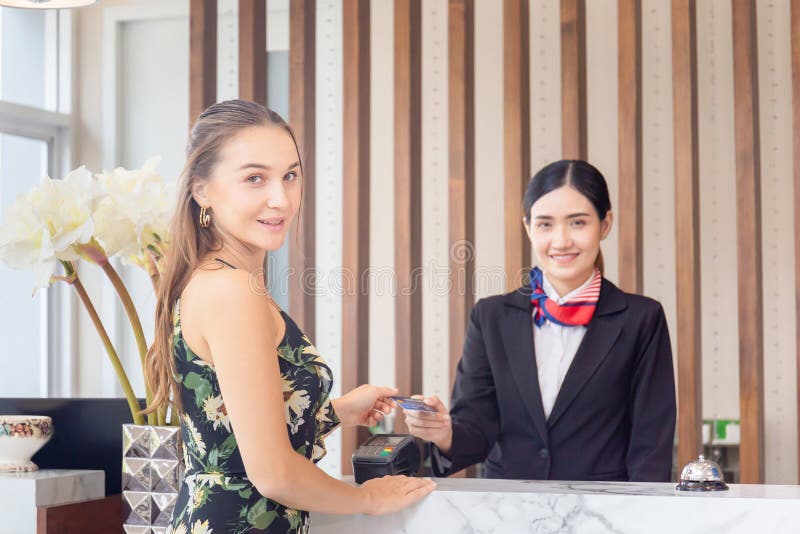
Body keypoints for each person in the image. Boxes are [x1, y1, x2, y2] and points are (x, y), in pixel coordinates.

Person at [144, 100, 435, 534]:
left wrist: (337, 412)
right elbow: (273, 474)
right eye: (255, 178)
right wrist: (370, 499)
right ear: (202, 189)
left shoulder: (211, 279)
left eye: (290, 176)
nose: (280, 199)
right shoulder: (231, 291)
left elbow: (229, 437)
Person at [405, 159, 676, 482]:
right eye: (545, 224)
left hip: (603, 508)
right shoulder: (491, 317)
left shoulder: (641, 320)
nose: (560, 241)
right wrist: (444, 433)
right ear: (528, 228)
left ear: (605, 225)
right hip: (508, 506)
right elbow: (477, 428)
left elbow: (650, 445)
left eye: (578, 223)